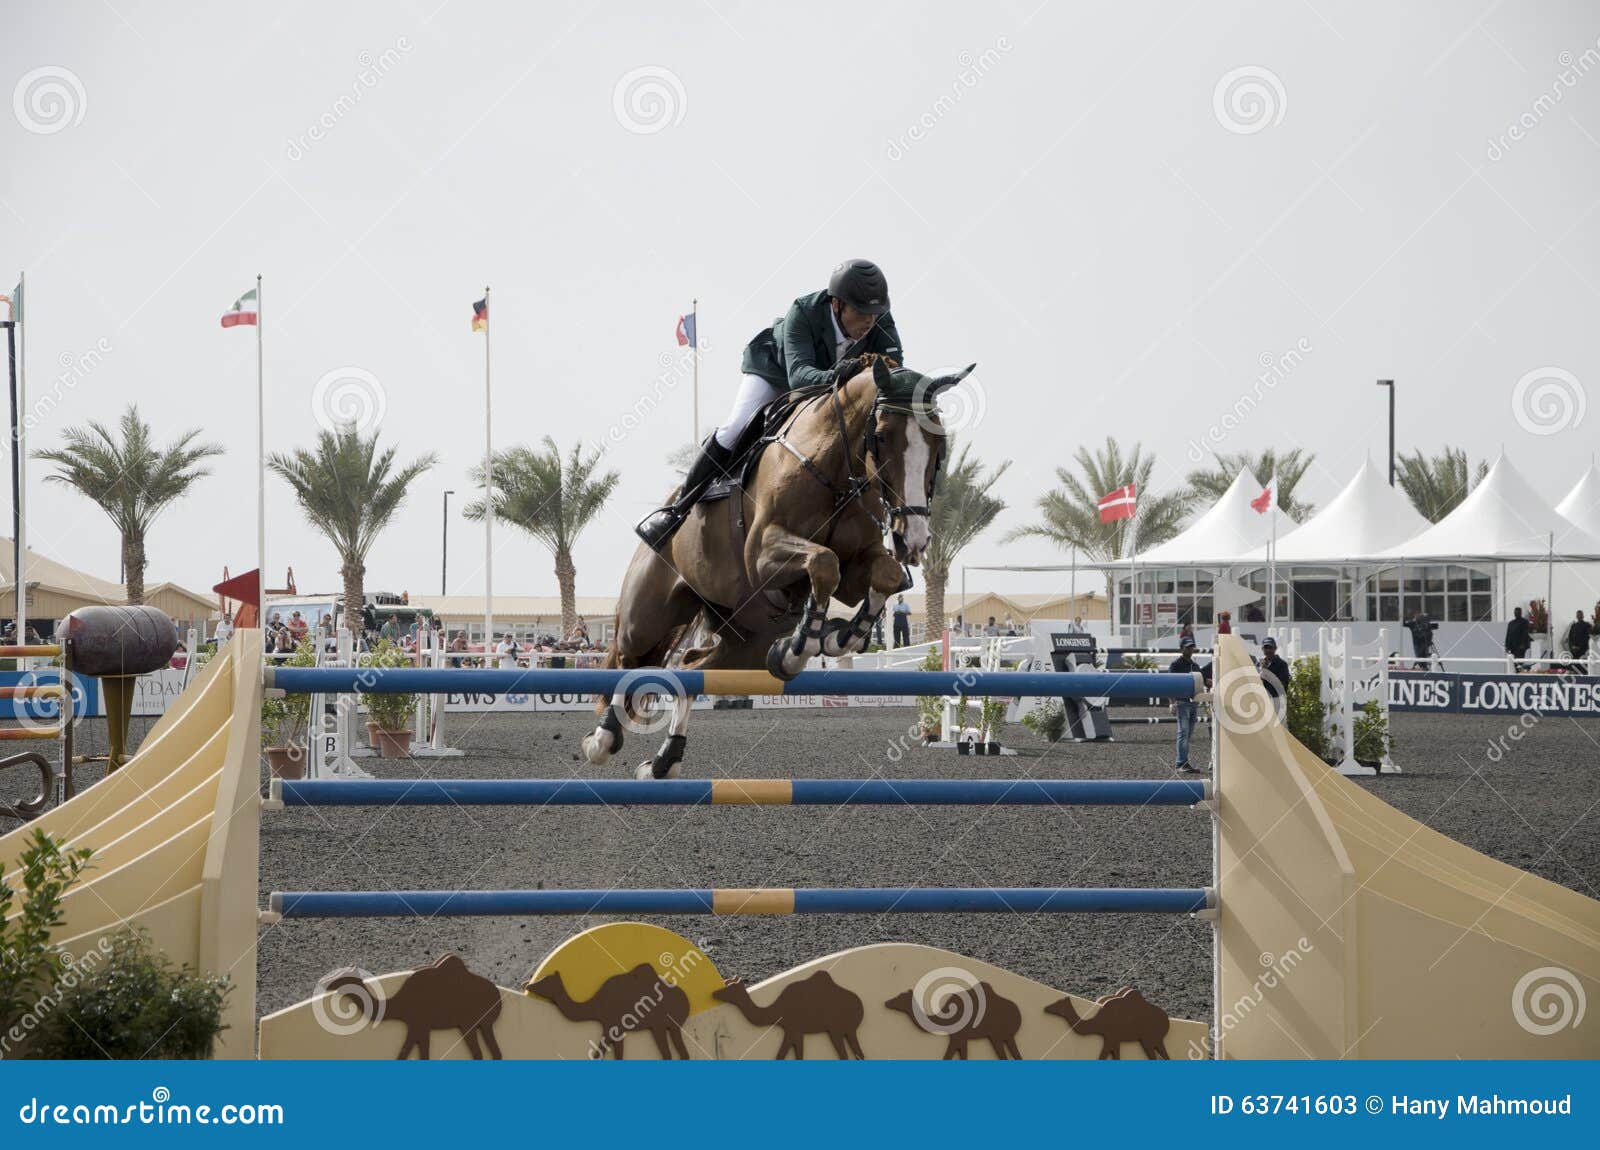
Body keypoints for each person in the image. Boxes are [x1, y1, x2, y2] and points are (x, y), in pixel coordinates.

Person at [636, 259, 902, 547]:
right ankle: (677, 511)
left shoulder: (879, 320)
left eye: (875, 314)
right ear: (837, 304)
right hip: (776, 373)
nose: (869, 322)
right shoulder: (804, 311)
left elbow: (894, 373)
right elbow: (800, 376)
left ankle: (896, 528)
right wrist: (845, 375)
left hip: (831, 385)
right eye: (861, 312)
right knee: (736, 427)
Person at [1169, 637, 1214, 774]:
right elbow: (1170, 684)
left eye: (1191, 647)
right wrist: (1172, 702)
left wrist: (1209, 682)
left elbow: (1202, 681)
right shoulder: (1175, 665)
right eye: (1188, 647)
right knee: (1183, 732)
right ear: (1181, 648)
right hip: (1182, 702)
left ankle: (1184, 761)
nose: (1190, 649)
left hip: (1193, 703)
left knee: (1187, 734)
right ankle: (1180, 763)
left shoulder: (1195, 666)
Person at [1258, 636, 1290, 702]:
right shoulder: (1259, 664)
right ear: (1262, 649)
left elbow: (1281, 686)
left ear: (1275, 648)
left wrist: (1266, 672)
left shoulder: (1282, 664)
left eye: (1270, 648)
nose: (1268, 650)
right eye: (1266, 648)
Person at [1505, 606, 1531, 672]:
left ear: (1521, 613)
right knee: (1514, 663)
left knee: (1519, 663)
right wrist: (1507, 646)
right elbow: (1508, 635)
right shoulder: (1511, 623)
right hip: (1512, 647)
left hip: (1520, 647)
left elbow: (1525, 634)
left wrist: (1523, 645)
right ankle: (1517, 673)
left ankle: (1519, 673)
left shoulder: (1524, 622)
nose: (1516, 613)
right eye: (1515, 612)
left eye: (1518, 612)